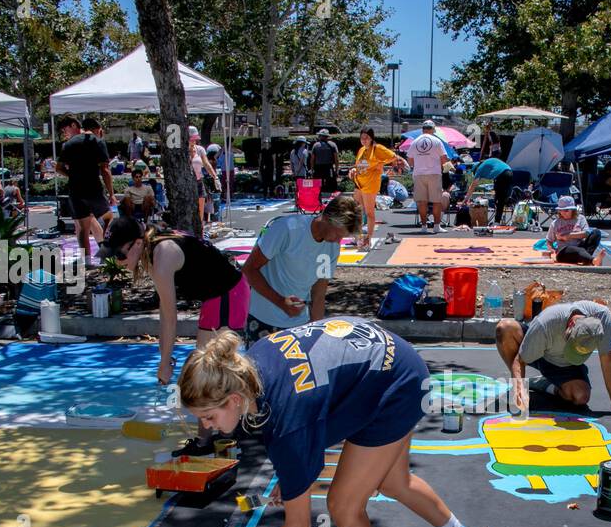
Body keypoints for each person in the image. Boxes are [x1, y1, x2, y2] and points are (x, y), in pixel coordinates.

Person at [181, 324, 491, 527]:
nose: (207, 426)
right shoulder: (250, 365)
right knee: (393, 481)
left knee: (344, 505)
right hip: (393, 362)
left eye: (209, 417)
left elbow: (298, 524)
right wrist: (294, 475)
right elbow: (316, 405)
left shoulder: (286, 423)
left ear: (234, 399)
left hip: (393, 384)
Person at [99, 215, 251, 385]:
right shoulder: (153, 248)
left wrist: (164, 364)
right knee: (206, 369)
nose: (118, 262)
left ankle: (247, 405)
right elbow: (164, 309)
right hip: (216, 296)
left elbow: (171, 319)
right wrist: (164, 357)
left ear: (138, 243)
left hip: (229, 294)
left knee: (212, 370)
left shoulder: (162, 257)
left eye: (119, 254)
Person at [495, 300, 611, 416]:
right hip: (537, 350)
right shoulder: (547, 322)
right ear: (571, 324)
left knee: (580, 397)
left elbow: (608, 361)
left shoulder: (603, 318)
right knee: (505, 328)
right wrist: (519, 392)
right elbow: (519, 360)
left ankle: (545, 383)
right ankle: (522, 387)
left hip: (564, 365)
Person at [242, 194, 360, 341]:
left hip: (299, 325)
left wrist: (316, 331)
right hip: (263, 320)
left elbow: (319, 293)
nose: (338, 241)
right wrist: (280, 301)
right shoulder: (287, 229)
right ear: (327, 219)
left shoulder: (332, 248)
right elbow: (249, 270)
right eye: (337, 234)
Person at [56, 115, 114, 267]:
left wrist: (73, 175)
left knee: (83, 227)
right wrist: (111, 193)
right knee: (108, 218)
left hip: (75, 189)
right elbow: (105, 169)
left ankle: (87, 261)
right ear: (95, 130)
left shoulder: (68, 144)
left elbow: (59, 168)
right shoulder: (97, 142)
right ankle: (105, 255)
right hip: (93, 186)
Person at [349, 127, 406, 248]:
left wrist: (380, 163)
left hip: (370, 184)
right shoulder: (361, 150)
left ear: (371, 138)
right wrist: (353, 170)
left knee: (369, 213)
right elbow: (359, 165)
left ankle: (368, 239)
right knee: (357, 211)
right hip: (359, 183)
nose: (364, 140)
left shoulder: (377, 148)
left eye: (367, 138)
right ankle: (358, 237)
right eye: (362, 138)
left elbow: (393, 157)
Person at [408, 119, 448, 233]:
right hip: (434, 173)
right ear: (433, 129)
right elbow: (444, 159)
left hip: (419, 174)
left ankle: (424, 226)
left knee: (421, 201)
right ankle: (436, 226)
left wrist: (420, 164)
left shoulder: (415, 142)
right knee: (436, 201)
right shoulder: (437, 141)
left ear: (422, 129)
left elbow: (410, 161)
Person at [547, 196, 602, 264]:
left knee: (596, 233)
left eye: (566, 210)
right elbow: (549, 240)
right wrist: (551, 249)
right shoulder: (555, 223)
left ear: (572, 210)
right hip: (564, 252)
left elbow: (586, 233)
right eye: (561, 210)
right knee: (575, 249)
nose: (563, 213)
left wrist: (569, 236)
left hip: (580, 246)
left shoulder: (580, 218)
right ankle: (593, 260)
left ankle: (585, 258)